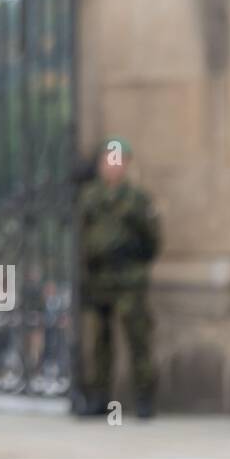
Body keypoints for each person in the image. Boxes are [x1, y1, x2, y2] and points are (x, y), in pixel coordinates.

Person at [76, 137, 161, 419]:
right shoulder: (89, 197)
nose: (111, 166)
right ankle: (99, 397)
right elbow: (82, 236)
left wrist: (132, 259)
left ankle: (144, 397)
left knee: (137, 338)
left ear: (125, 164)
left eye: (116, 160)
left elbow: (153, 241)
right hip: (99, 279)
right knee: (100, 341)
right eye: (106, 160)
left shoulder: (137, 200)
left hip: (129, 280)